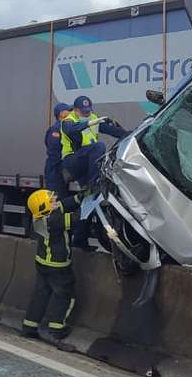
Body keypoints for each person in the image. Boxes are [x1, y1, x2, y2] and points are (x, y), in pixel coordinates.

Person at [20, 189, 80, 352]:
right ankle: (56, 328)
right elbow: (77, 218)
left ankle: (29, 326)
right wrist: (92, 204)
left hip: (42, 263)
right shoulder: (54, 220)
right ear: (45, 206)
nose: (56, 200)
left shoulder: (40, 216)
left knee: (41, 293)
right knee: (65, 295)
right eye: (52, 200)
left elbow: (63, 204)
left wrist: (80, 196)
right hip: (57, 265)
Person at [60, 95, 129, 190]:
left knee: (88, 196)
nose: (87, 114)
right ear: (75, 110)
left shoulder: (93, 117)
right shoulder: (69, 120)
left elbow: (111, 130)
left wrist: (129, 134)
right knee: (99, 147)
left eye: (88, 111)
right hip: (72, 161)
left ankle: (90, 188)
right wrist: (88, 123)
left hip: (87, 160)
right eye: (84, 112)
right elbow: (70, 130)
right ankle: (94, 183)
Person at [43, 103, 72, 196]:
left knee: (62, 198)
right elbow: (55, 151)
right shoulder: (56, 129)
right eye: (68, 111)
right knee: (55, 199)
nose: (71, 113)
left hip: (60, 170)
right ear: (62, 114)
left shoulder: (65, 127)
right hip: (55, 170)